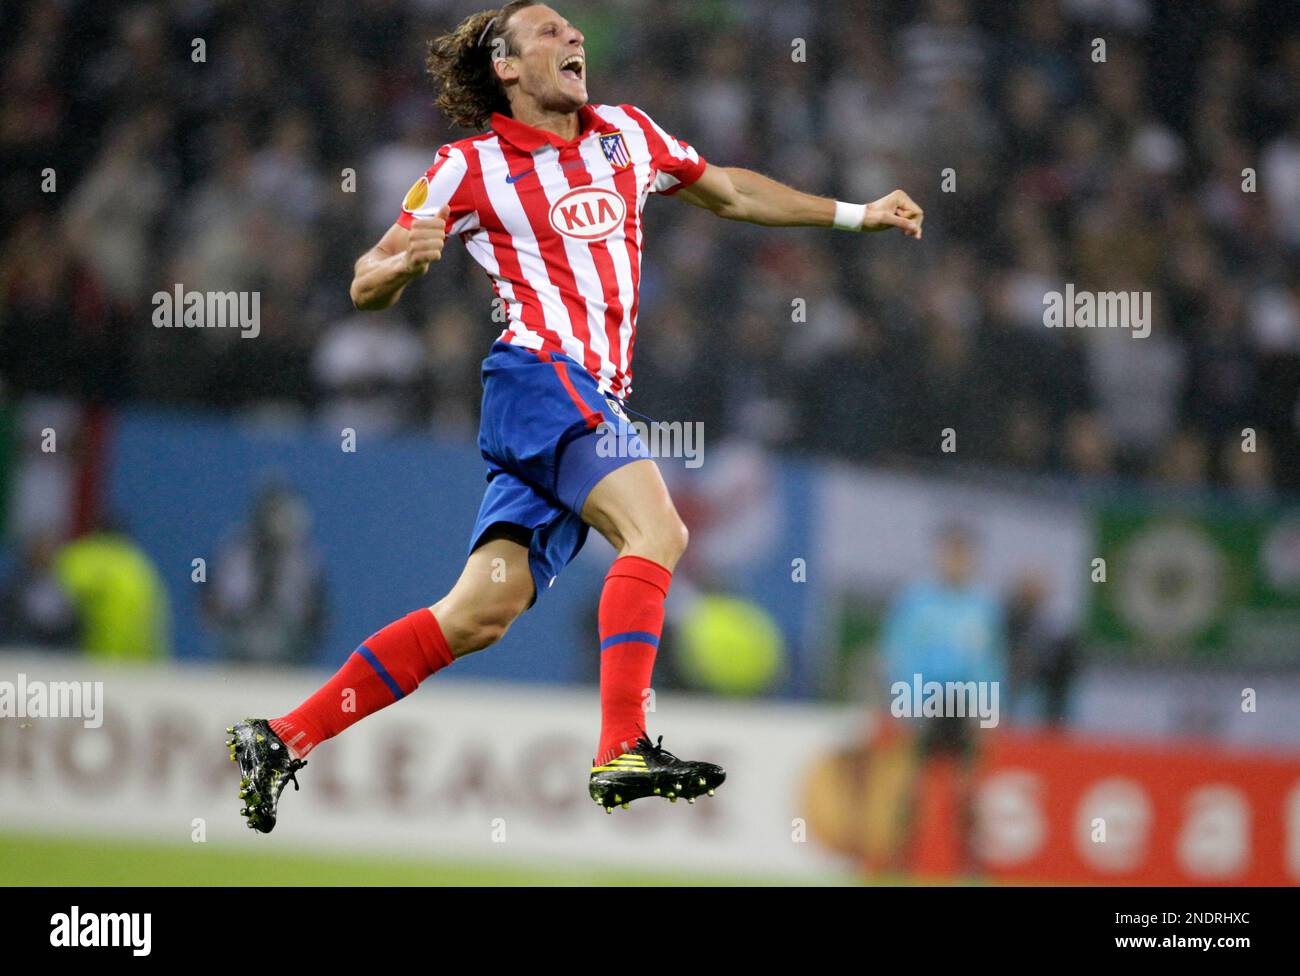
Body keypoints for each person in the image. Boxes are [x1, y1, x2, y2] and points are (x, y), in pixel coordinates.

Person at [228, 0, 924, 833]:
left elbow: (731, 192)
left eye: (575, 30)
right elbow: (363, 280)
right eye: (551, 31)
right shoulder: (468, 165)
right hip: (541, 377)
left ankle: (281, 737)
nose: (574, 38)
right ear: (508, 69)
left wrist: (856, 213)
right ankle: (623, 745)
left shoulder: (626, 134)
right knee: (658, 532)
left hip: (574, 402)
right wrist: (401, 267)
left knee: (477, 614)